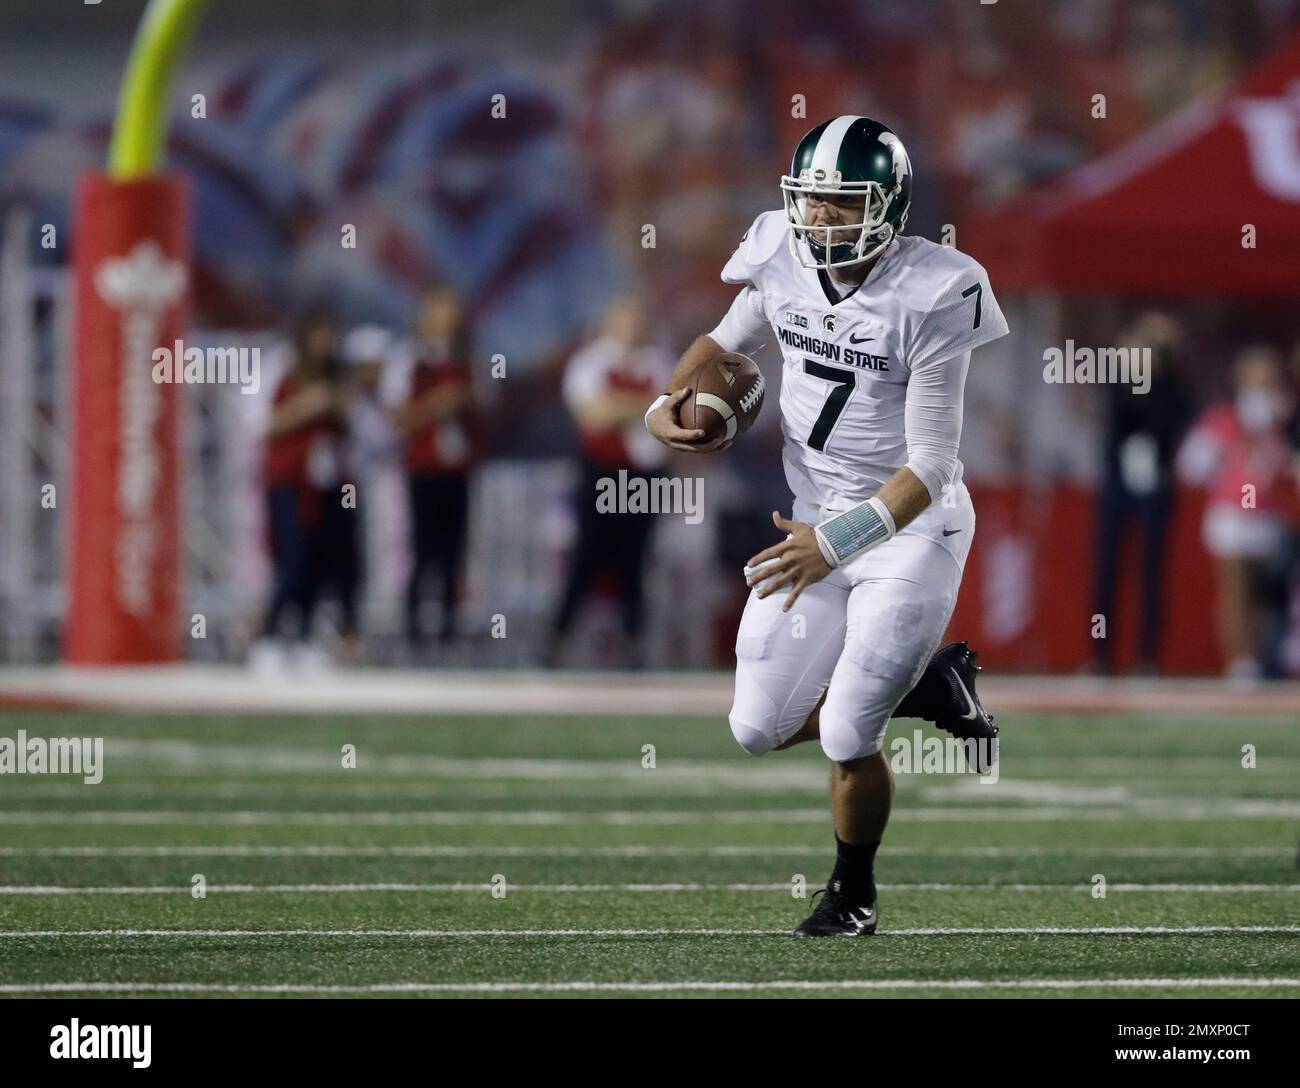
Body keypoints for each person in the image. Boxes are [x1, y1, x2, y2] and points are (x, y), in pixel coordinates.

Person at [646, 116, 1008, 936]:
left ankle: (853, 896)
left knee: (847, 727)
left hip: (910, 531)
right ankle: (928, 688)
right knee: (754, 728)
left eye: (842, 205)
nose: (819, 220)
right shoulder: (779, 252)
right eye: (810, 202)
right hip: (814, 520)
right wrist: (662, 407)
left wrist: (833, 544)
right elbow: (719, 343)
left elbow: (934, 466)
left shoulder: (937, 289)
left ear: (889, 207)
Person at [548, 296, 672, 668]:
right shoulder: (590, 363)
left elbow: (673, 413)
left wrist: (621, 404)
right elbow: (595, 416)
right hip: (602, 471)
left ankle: (633, 643)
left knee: (636, 556)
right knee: (589, 553)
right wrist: (640, 405)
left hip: (645, 474)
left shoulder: (658, 361)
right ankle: (559, 636)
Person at [1177, 346, 1300, 681]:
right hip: (1233, 515)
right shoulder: (1225, 417)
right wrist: (1229, 453)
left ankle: (1264, 657)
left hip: (1269, 515)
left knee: (1265, 595)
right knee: (1236, 589)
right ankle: (1242, 662)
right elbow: (1192, 465)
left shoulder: (1284, 419)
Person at [1091, 312, 1193, 674]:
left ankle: (1146, 657)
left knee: (1151, 570)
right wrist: (1132, 371)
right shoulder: (1122, 379)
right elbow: (1115, 420)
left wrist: (1154, 375)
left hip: (1156, 482)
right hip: (1119, 479)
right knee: (1107, 567)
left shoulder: (1175, 385)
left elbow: (1170, 422)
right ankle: (1100, 656)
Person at [384, 287, 481, 649]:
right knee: (423, 548)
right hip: (423, 468)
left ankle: (448, 629)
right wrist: (438, 405)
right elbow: (397, 418)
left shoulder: (468, 360)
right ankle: (413, 627)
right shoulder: (407, 360)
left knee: (454, 550)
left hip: (457, 467)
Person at [257, 310, 354, 667]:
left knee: (320, 561)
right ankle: (268, 637)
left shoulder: (338, 378)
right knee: (293, 560)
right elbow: (261, 425)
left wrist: (340, 407)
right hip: (290, 482)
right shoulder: (281, 373)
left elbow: (357, 430)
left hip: (328, 482)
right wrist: (308, 405)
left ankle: (304, 638)